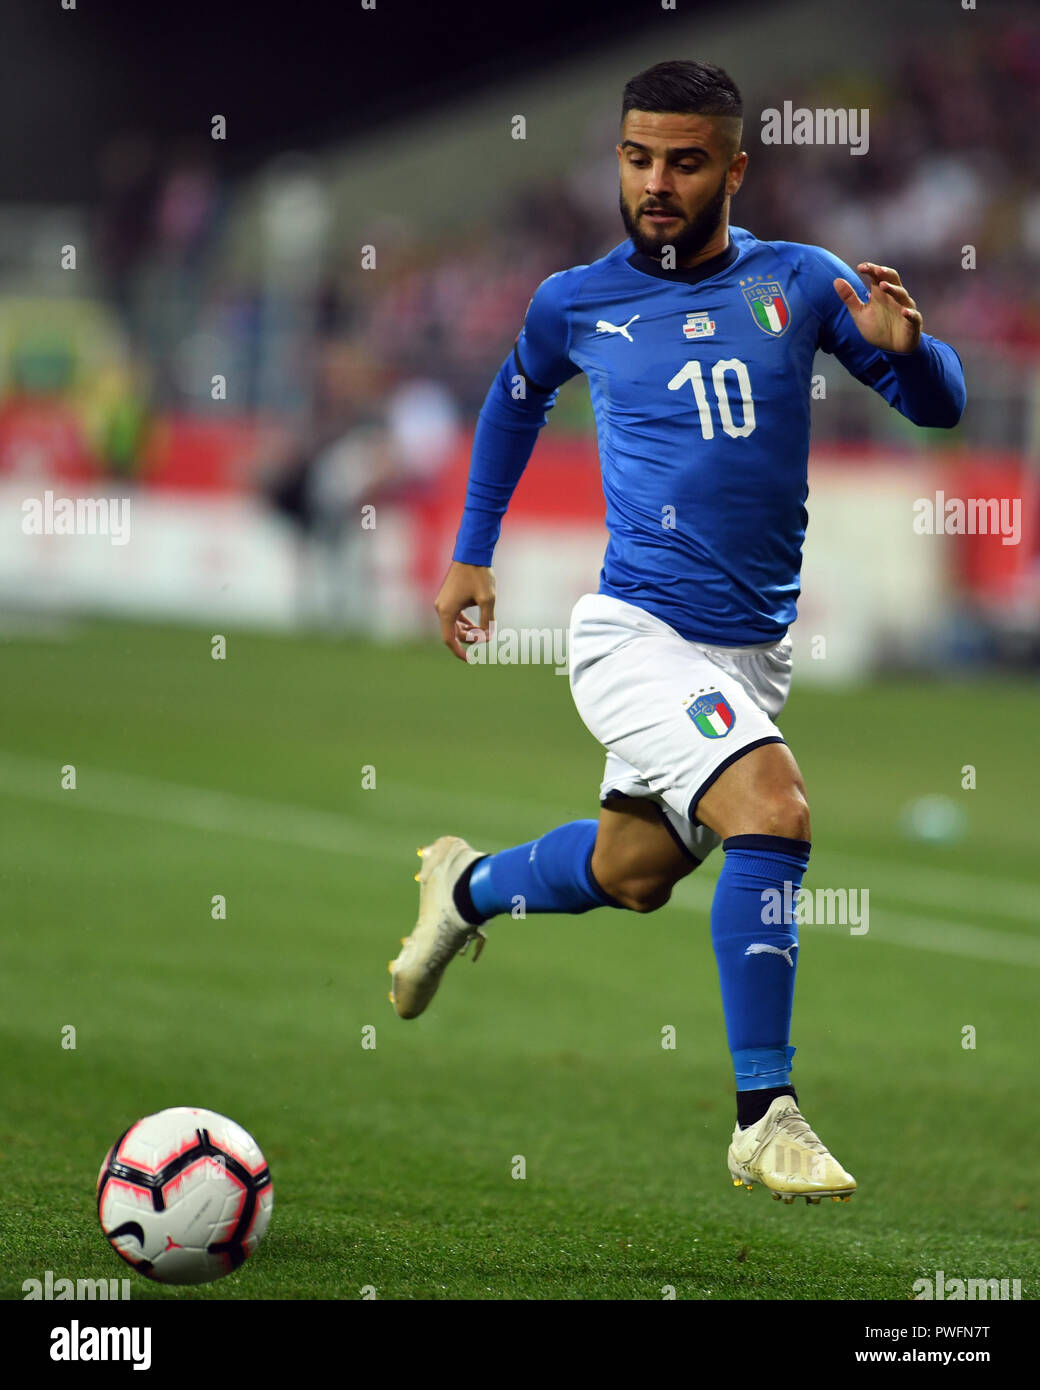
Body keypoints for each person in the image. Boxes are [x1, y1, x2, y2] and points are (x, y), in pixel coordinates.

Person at [388, 60, 965, 1204]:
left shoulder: (798, 283)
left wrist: (909, 350)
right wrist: (468, 550)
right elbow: (513, 401)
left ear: (733, 169)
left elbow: (936, 409)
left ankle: (464, 890)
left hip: (747, 653)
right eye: (637, 157)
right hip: (631, 635)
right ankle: (765, 1114)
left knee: (633, 870)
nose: (655, 182)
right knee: (773, 807)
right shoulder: (573, 299)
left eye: (684, 161)